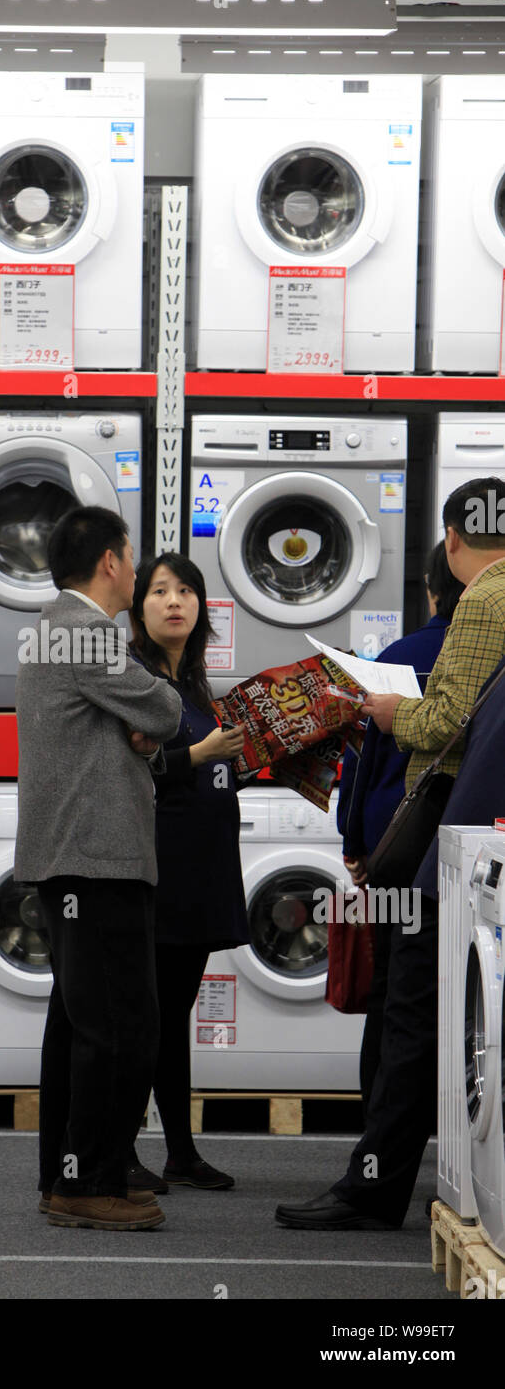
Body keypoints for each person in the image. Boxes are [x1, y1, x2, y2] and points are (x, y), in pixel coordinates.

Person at [275, 476, 505, 1230]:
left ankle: (372, 1187)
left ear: (451, 541)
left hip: (460, 843)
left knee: (411, 1015)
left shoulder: (484, 598)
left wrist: (385, 707)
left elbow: (444, 724)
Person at [15, 505, 182, 1231]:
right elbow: (167, 709)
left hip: (75, 857)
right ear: (111, 562)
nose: (140, 570)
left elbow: (132, 729)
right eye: (133, 557)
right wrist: (146, 727)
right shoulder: (84, 633)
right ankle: (88, 1184)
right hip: (96, 859)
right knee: (121, 1027)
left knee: (86, 1025)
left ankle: (75, 1172)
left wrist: (136, 737)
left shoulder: (57, 629)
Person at [125, 553, 248, 1193]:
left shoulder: (196, 684)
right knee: (144, 1017)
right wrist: (201, 753)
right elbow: (126, 771)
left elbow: (210, 771)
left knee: (173, 1016)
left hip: (200, 871)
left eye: (187, 591)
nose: (175, 601)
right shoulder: (134, 676)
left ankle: (179, 1150)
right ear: (139, 606)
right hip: (154, 869)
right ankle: (120, 1150)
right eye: (159, 591)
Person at [336, 541, 464, 1116]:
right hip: (478, 847)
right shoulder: (491, 656)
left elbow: (360, 762)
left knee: (392, 999)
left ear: (433, 590)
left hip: (400, 849)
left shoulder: (399, 656)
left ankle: (379, 1140)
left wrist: (355, 843)